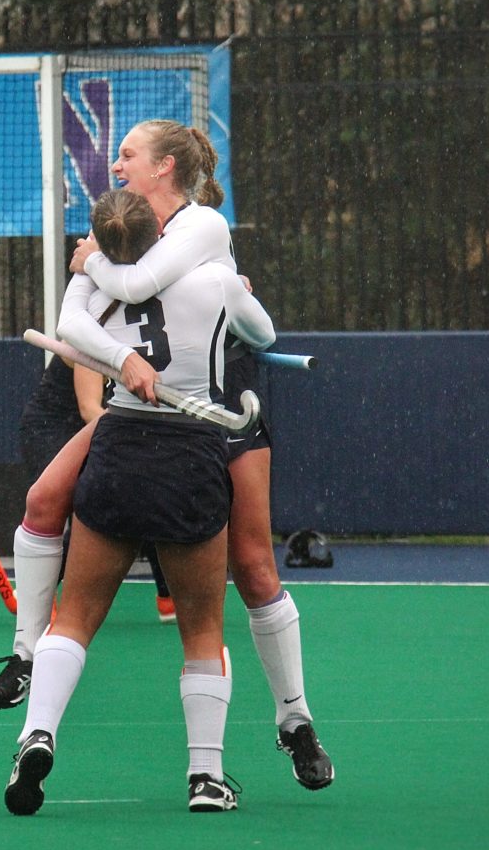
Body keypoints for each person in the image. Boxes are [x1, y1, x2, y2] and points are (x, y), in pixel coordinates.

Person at [18, 119, 334, 792]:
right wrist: (121, 353)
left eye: (128, 153)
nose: (118, 164)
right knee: (45, 498)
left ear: (165, 168)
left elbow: (136, 286)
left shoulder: (203, 227)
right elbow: (97, 310)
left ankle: (295, 719)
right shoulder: (120, 231)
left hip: (218, 392)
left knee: (251, 564)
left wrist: (90, 265)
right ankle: (27, 661)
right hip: (144, 409)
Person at [2, 189, 272, 814]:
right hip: (191, 453)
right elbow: (263, 334)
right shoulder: (215, 280)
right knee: (202, 628)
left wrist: (115, 341)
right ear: (165, 231)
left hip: (119, 447)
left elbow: (73, 327)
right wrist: (240, 289)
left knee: (74, 619)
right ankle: (205, 777)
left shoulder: (92, 290)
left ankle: (35, 735)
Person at [0, 210, 173, 712]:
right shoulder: (95, 306)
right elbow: (90, 408)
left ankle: (167, 592)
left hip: (120, 418)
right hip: (63, 422)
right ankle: (28, 651)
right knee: (53, 502)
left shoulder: (164, 296)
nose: (83, 247)